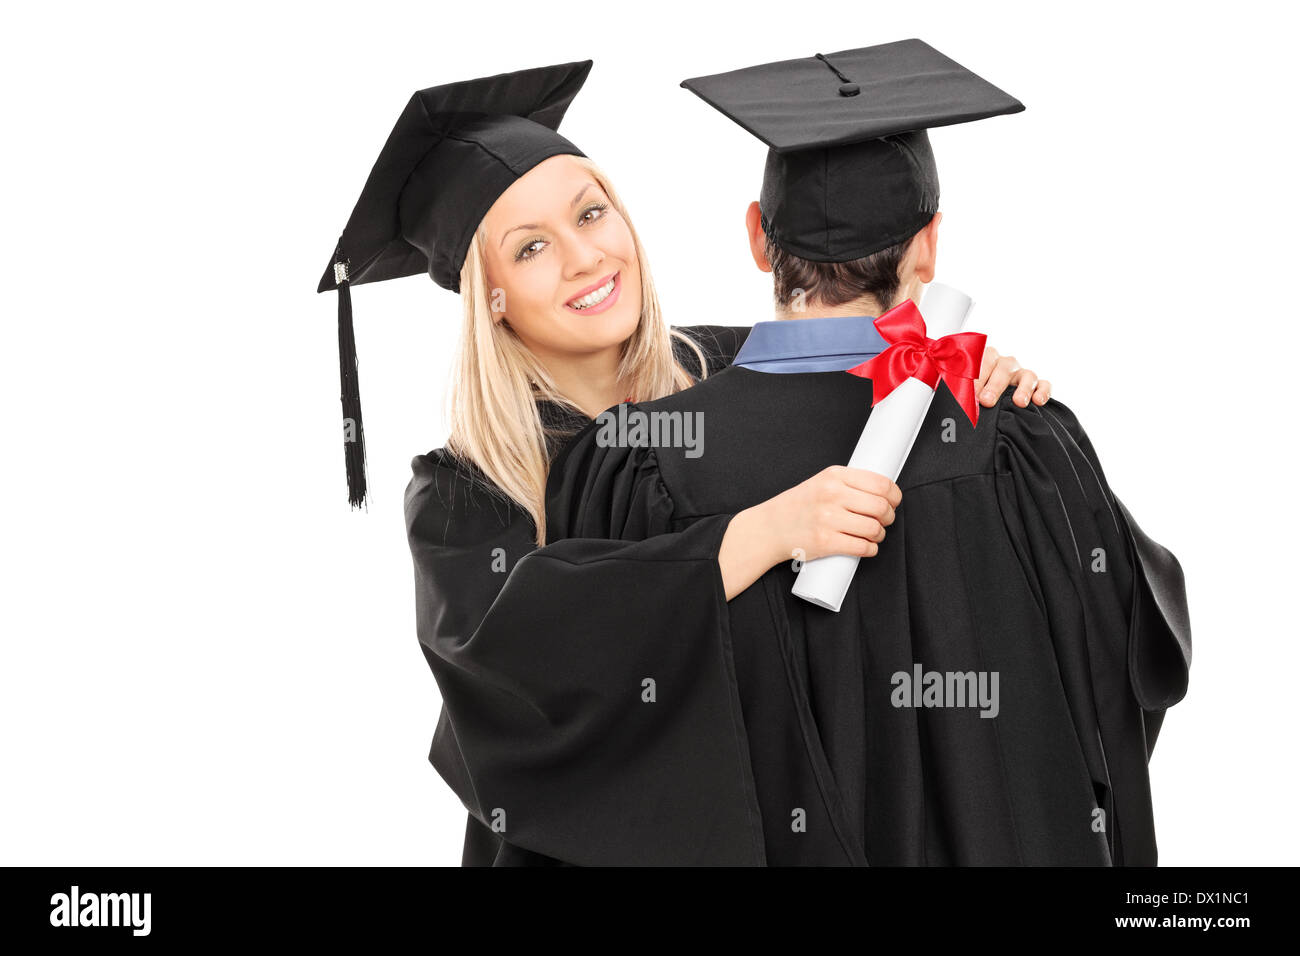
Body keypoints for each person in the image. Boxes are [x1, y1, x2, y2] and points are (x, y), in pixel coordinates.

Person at [318, 59, 1053, 865]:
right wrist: (751, 538)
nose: (585, 257)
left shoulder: (731, 368)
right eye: (531, 248)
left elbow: (880, 380)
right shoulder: (467, 490)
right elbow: (518, 670)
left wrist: (974, 378)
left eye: (592, 213)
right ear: (488, 293)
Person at [545, 40, 1192, 865]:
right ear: (928, 248)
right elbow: (1125, 668)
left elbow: (593, 735)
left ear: (756, 236)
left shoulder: (638, 466)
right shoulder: (1020, 437)